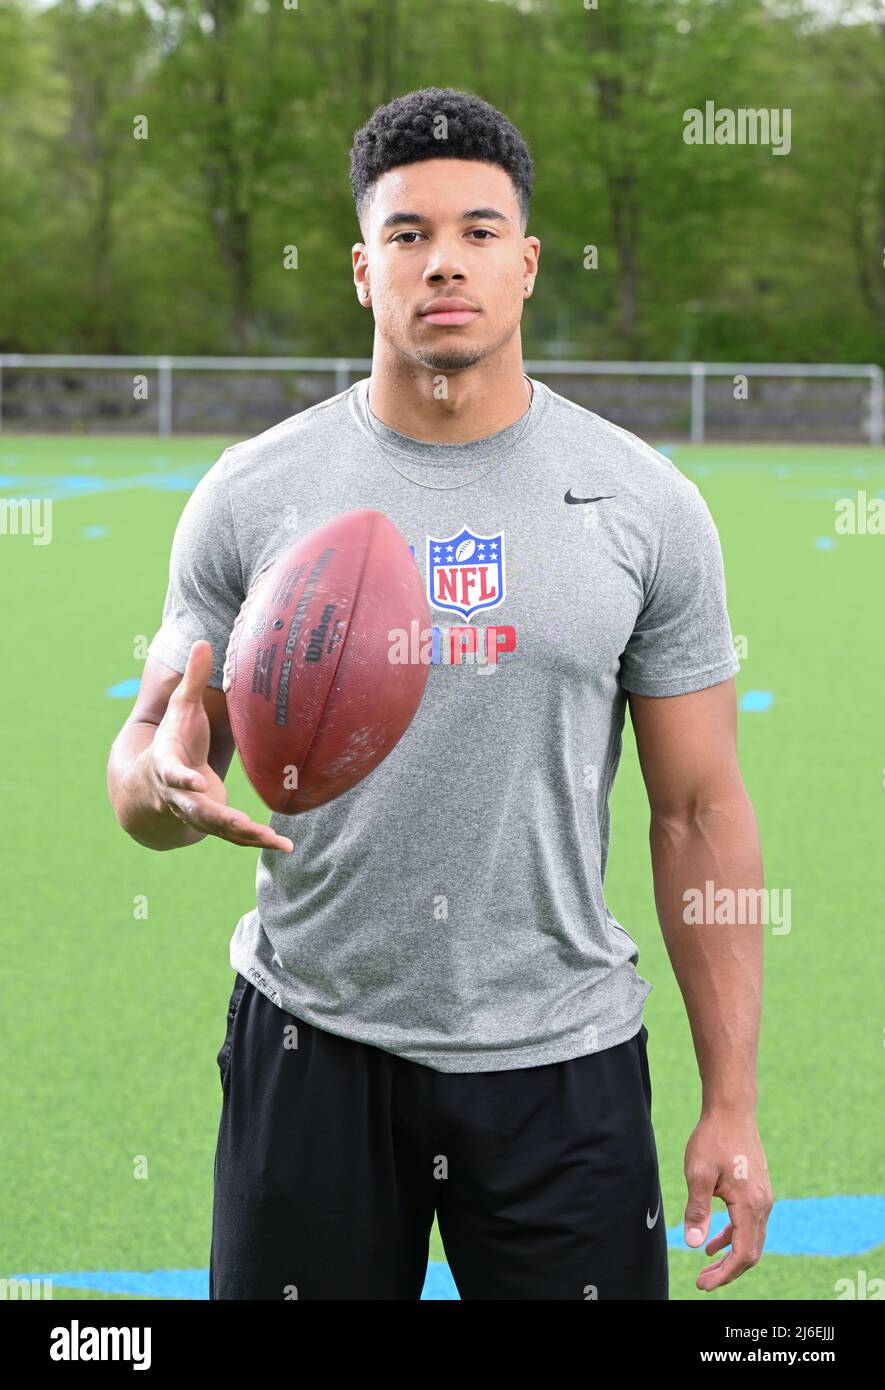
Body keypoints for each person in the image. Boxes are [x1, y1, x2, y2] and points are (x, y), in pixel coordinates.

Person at [106, 86, 772, 1300]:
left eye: (477, 232)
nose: (444, 261)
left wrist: (732, 1100)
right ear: (364, 271)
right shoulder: (255, 492)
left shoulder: (644, 504)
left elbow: (700, 813)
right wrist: (158, 781)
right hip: (311, 1041)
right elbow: (144, 765)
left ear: (524, 266)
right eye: (409, 235)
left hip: (562, 1060)